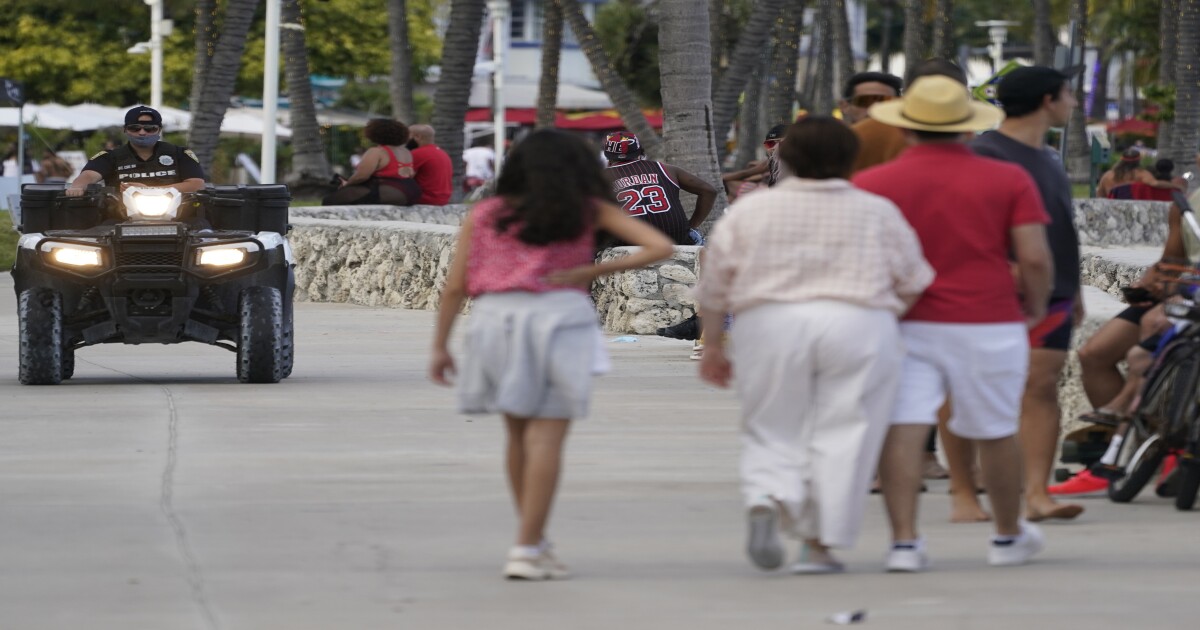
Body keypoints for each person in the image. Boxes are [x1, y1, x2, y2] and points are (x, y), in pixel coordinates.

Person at [429, 129, 673, 581]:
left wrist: (440, 345)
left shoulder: (486, 214)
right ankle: (527, 545)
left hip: (495, 319)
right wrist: (592, 268)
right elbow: (661, 247)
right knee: (548, 438)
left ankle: (532, 541)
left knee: (517, 435)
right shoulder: (586, 209)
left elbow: (456, 285)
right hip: (560, 317)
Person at [695, 116, 934, 574]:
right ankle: (815, 546)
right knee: (844, 434)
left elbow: (715, 284)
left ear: (784, 158)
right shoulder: (875, 209)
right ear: (851, 158)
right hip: (858, 322)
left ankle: (768, 492)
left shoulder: (752, 209)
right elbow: (913, 280)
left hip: (770, 323)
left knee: (774, 425)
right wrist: (885, 316)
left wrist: (712, 347)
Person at [853, 75, 1054, 570]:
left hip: (903, 323)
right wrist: (1037, 304)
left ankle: (904, 543)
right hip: (988, 318)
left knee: (902, 426)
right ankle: (1007, 538)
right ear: (967, 130)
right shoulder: (1007, 179)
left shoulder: (872, 184)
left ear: (905, 130)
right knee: (995, 428)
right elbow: (1034, 257)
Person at [968, 65, 1086, 523]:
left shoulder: (1050, 159)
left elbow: (1062, 228)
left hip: (1054, 295)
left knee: (1041, 388)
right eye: (1068, 94)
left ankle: (1037, 493)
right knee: (991, 391)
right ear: (1046, 100)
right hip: (996, 295)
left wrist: (1073, 289)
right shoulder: (987, 153)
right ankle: (983, 483)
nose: (1073, 103)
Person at [602, 130, 718, 246]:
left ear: (607, 155)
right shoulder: (665, 169)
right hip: (677, 238)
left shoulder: (601, 177)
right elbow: (709, 191)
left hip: (630, 242)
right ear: (639, 151)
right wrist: (692, 225)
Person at [66, 105, 206, 197]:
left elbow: (196, 184)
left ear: (159, 130)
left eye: (150, 128)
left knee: (204, 232)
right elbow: (88, 175)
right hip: (120, 216)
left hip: (180, 215)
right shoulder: (110, 157)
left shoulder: (179, 154)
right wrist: (77, 187)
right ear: (125, 129)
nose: (142, 133)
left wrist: (150, 191)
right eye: (135, 128)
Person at [323, 118, 420, 206]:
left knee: (330, 200)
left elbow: (362, 176)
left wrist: (346, 185)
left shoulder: (377, 151)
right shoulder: (406, 151)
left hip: (390, 191)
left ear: (374, 134)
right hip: (411, 190)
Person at [722, 124, 788, 192]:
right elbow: (747, 173)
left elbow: (746, 173)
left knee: (731, 184)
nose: (774, 147)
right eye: (770, 143)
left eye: (780, 143)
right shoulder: (773, 162)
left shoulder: (788, 161)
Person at [407, 124, 453, 206]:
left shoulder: (417, 153)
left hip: (425, 199)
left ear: (417, 137)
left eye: (408, 136)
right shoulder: (442, 153)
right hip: (443, 199)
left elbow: (404, 176)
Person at [838, 71, 903, 125]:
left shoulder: (909, 139)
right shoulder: (832, 139)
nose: (874, 108)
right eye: (865, 101)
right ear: (845, 106)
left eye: (885, 101)